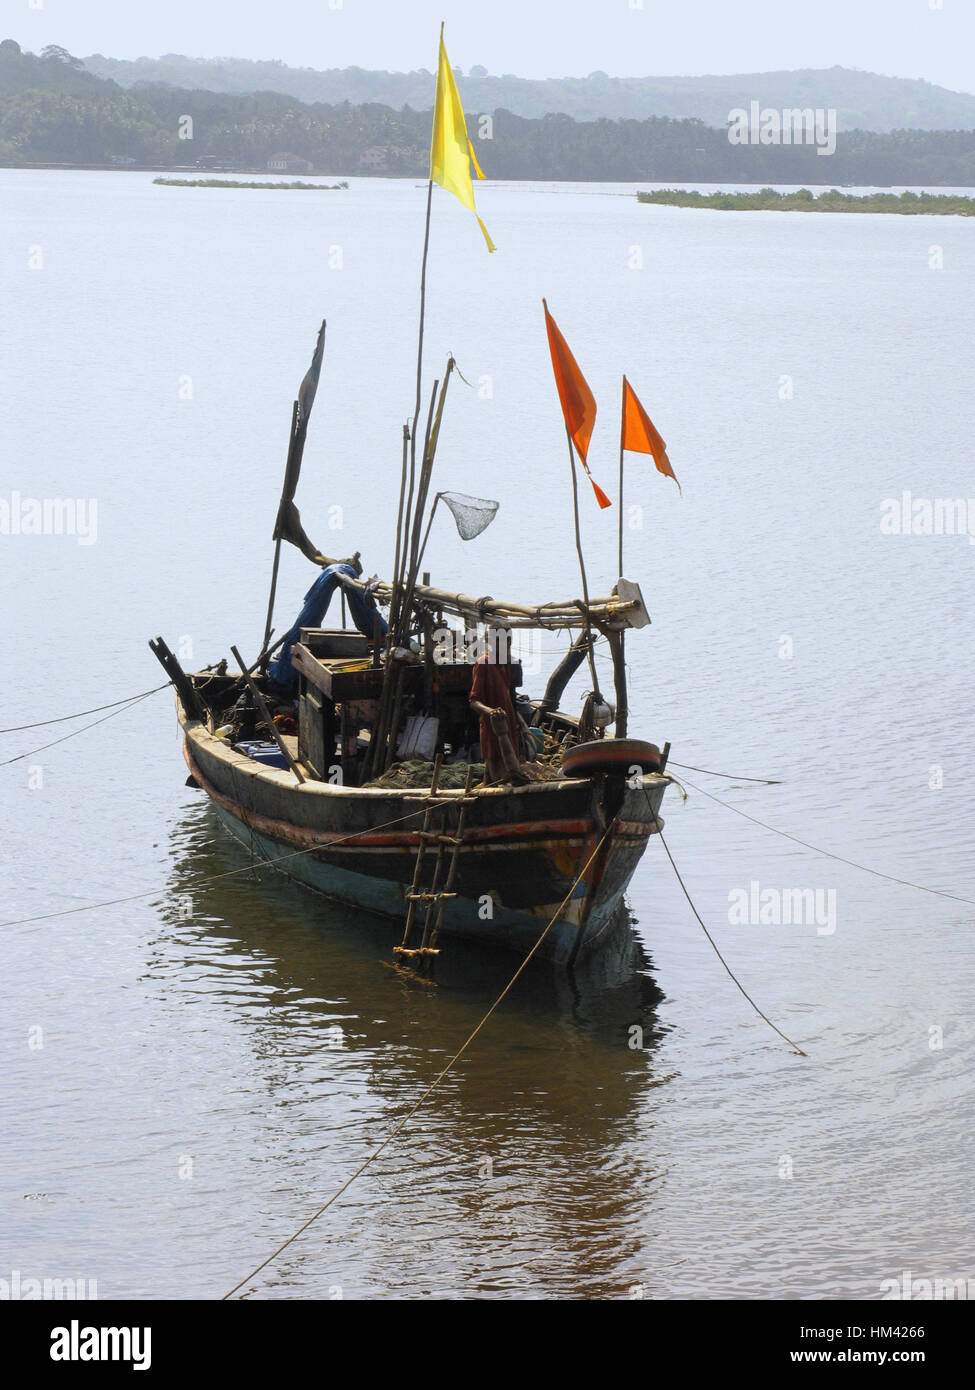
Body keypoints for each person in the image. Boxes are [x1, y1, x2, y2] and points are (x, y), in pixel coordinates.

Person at [469, 627, 529, 786]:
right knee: (496, 769)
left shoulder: (508, 664)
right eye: (499, 640)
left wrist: (521, 725)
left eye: (507, 640)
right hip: (492, 726)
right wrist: (491, 712)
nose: (504, 644)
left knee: (511, 764)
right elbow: (474, 700)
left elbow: (514, 691)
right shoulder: (483, 664)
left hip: (509, 723)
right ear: (489, 640)